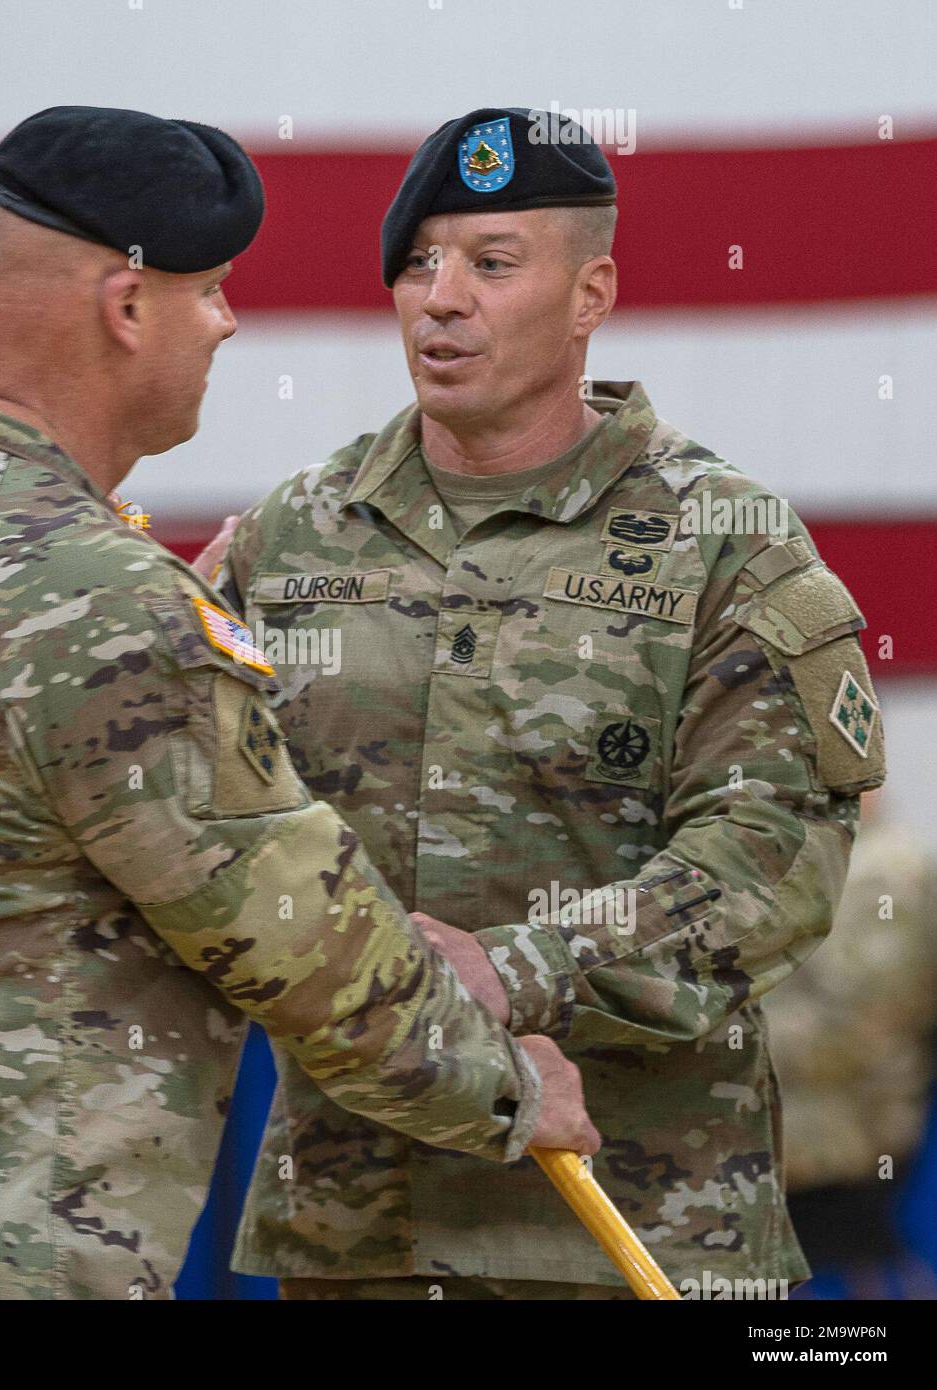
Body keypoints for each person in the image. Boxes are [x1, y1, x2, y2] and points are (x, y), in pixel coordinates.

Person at [0, 106, 597, 1302]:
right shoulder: (98, 596)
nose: (229, 320)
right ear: (126, 309)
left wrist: (174, 622)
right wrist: (504, 1078)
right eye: (210, 289)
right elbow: (304, 948)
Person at [218, 106, 887, 1300]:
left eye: (491, 261)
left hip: (631, 1227)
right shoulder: (289, 536)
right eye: (417, 264)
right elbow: (202, 816)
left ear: (591, 294)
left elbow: (772, 855)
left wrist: (518, 971)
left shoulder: (720, 539)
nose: (440, 298)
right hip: (356, 1226)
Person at [764, 790, 937, 1298]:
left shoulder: (888, 873)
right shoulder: (797, 862)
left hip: (845, 1152)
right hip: (810, 1150)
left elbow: (865, 1022)